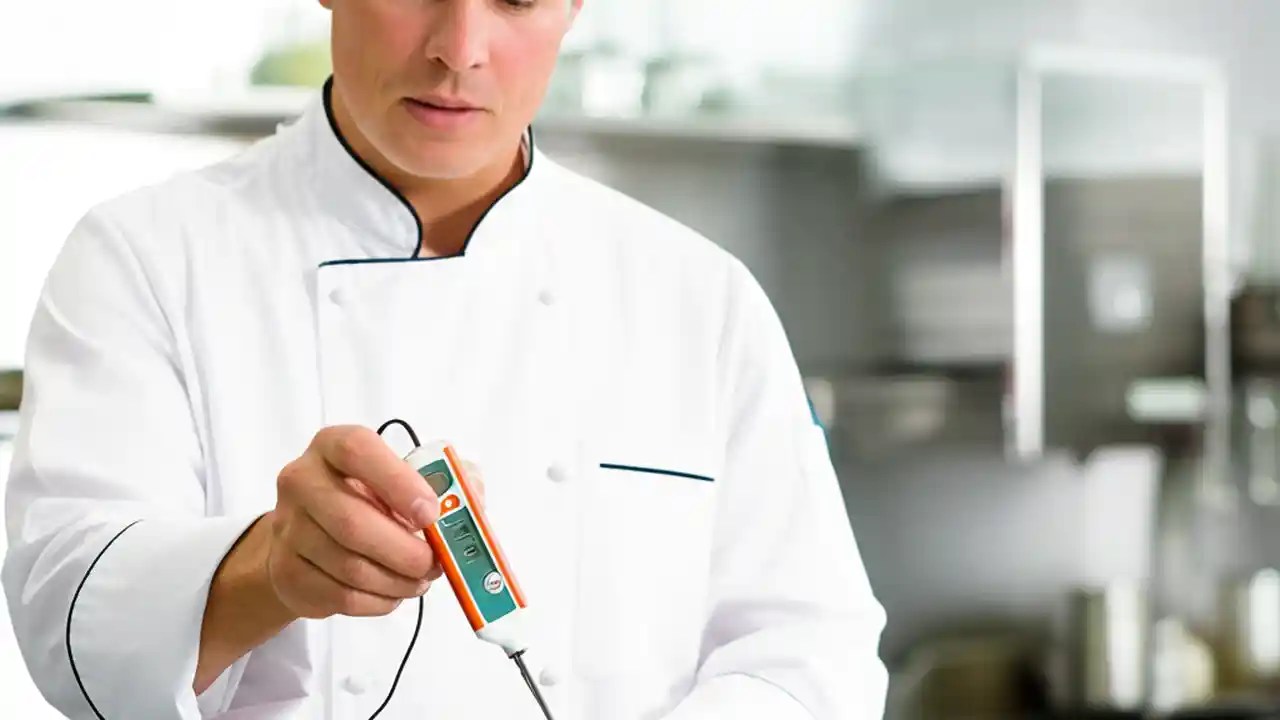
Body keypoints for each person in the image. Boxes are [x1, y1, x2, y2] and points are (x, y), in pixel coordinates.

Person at [2, 1, 888, 718]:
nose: (459, 48)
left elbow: (812, 659)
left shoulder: (699, 297)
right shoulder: (148, 255)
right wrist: (269, 568)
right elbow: (68, 616)